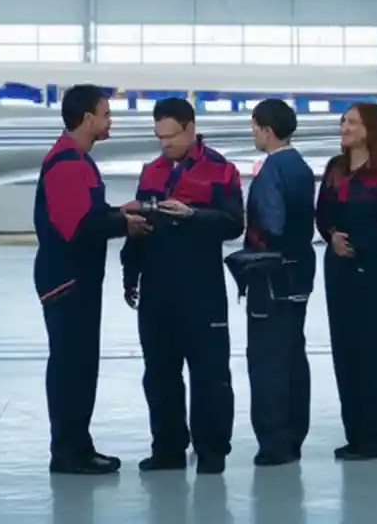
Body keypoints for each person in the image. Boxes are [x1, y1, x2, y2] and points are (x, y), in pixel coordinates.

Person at [120, 97, 244, 475]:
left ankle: (212, 450)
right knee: (159, 371)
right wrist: (130, 271)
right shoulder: (151, 171)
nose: (165, 144)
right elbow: (140, 227)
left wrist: (193, 215)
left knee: (210, 373)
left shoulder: (221, 171)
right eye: (159, 137)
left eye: (171, 136)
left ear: (191, 128)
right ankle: (168, 448)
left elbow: (233, 223)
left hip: (201, 289)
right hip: (157, 288)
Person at [33, 84, 151, 475]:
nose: (109, 121)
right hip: (68, 283)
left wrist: (120, 211)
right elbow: (78, 227)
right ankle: (68, 452)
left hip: (74, 280)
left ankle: (76, 446)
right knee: (73, 368)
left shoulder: (76, 159)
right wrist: (124, 223)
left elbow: (85, 213)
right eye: (105, 114)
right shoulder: (68, 163)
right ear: (87, 119)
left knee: (78, 366)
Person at [315, 102, 377, 461]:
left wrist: (357, 244)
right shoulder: (334, 169)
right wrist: (331, 237)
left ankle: (376, 438)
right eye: (343, 121)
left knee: (374, 352)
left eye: (352, 122)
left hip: (374, 268)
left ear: (370, 128)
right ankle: (354, 434)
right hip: (337, 266)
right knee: (345, 350)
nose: (345, 127)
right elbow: (321, 213)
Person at [241, 98, 316, 466]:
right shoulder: (300, 167)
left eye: (254, 127)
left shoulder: (272, 170)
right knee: (292, 356)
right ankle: (294, 435)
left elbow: (272, 224)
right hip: (300, 273)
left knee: (267, 359)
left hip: (271, 277)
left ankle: (273, 441)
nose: (252, 133)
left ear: (268, 130)